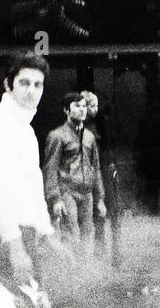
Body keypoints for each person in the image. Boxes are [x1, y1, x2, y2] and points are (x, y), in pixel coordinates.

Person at [0, 52, 57, 295]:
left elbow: (32, 189)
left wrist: (47, 231)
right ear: (8, 85)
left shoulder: (22, 128)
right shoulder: (1, 126)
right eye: (24, 83)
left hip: (17, 234)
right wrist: (16, 248)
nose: (31, 91)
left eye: (38, 84)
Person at [43, 91, 105, 258]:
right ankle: (72, 276)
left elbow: (96, 167)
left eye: (84, 106)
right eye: (76, 106)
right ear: (66, 110)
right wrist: (55, 199)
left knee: (88, 233)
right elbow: (50, 169)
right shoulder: (57, 136)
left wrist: (100, 199)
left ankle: (87, 273)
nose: (82, 110)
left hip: (87, 193)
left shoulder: (90, 137)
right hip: (67, 191)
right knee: (71, 233)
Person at [82, 91, 122, 267]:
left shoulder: (102, 123)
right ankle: (99, 252)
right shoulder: (80, 127)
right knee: (95, 213)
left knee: (112, 210)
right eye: (92, 105)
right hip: (91, 172)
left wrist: (112, 166)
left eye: (96, 105)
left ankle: (115, 254)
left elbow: (109, 147)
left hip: (105, 169)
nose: (95, 109)